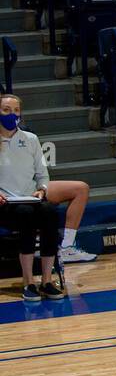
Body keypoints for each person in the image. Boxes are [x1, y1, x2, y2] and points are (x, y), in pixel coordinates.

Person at [0, 97, 66, 300]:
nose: (12, 114)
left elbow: (42, 174)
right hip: (5, 204)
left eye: (16, 110)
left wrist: (42, 189)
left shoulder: (30, 139)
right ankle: (28, 282)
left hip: (30, 198)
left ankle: (46, 280)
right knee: (25, 216)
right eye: (6, 110)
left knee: (50, 213)